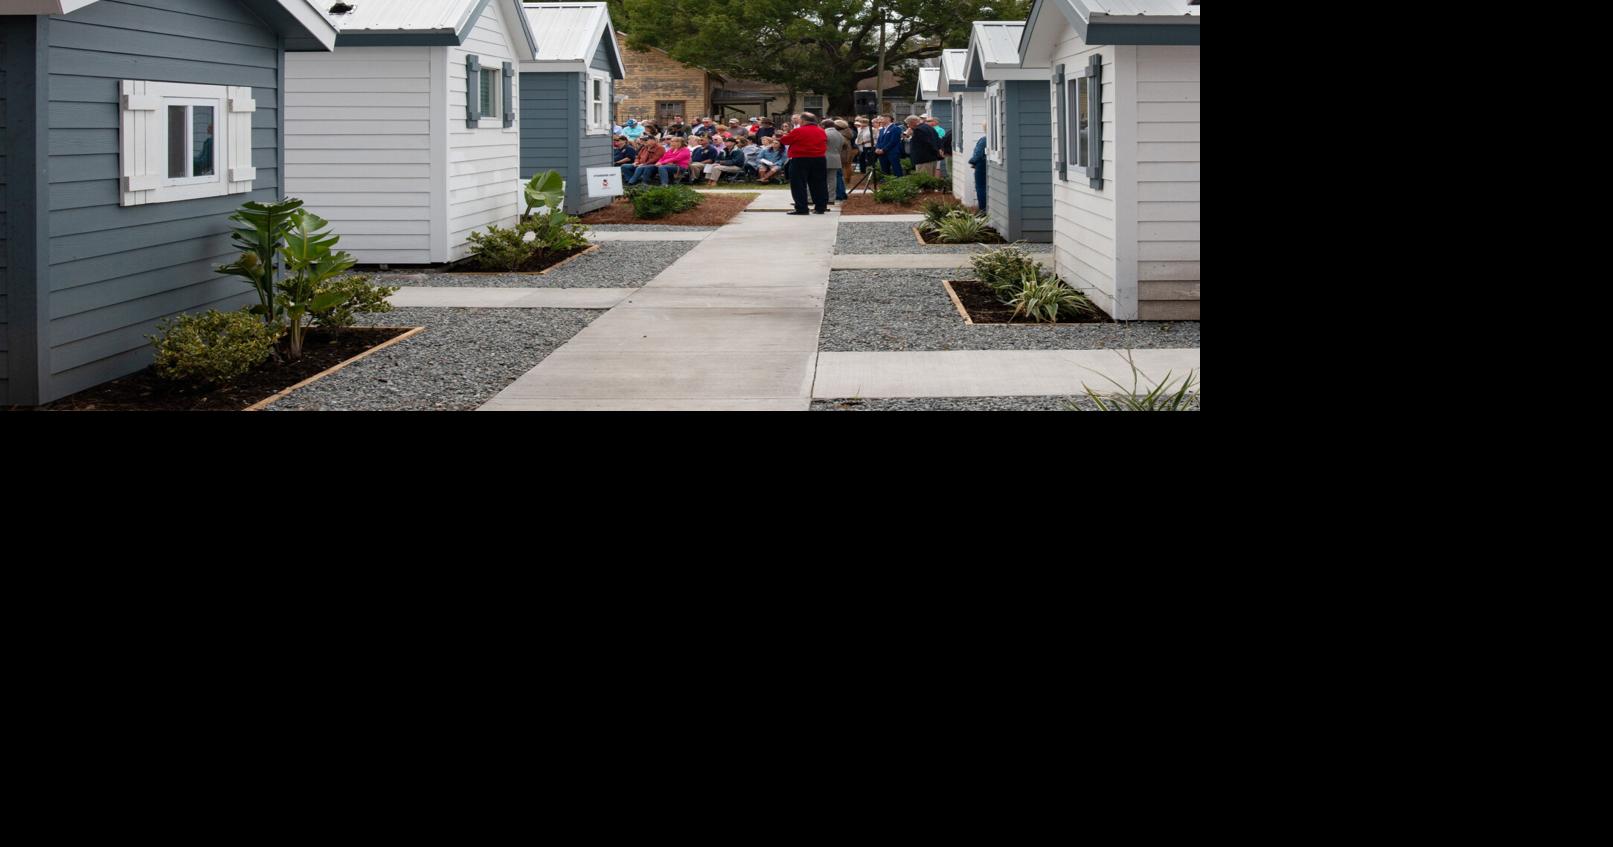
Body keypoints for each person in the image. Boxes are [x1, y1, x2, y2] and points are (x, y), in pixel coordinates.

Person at [780, 112, 829, 215]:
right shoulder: (821, 131)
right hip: (819, 158)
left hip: (800, 158)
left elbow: (785, 140)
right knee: (819, 183)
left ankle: (801, 208)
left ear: (802, 121)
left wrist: (783, 135)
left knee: (799, 184)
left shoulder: (798, 130)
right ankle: (820, 207)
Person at [823, 119, 849, 203]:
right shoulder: (840, 134)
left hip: (825, 157)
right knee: (833, 179)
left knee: (822, 179)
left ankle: (824, 197)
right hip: (836, 157)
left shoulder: (824, 133)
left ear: (824, 126)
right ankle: (831, 198)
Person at [969, 125, 988, 215]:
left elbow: (978, 154)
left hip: (981, 165)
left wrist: (973, 162)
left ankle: (983, 208)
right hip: (988, 164)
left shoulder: (984, 139)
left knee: (980, 187)